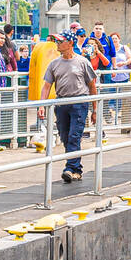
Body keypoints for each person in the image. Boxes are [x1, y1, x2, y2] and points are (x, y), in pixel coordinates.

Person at [40, 31, 97, 183]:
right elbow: (46, 86)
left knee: (74, 136)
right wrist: (41, 105)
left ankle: (70, 168)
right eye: (57, 42)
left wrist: (95, 110)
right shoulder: (54, 64)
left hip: (79, 102)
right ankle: (76, 169)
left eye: (61, 41)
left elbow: (92, 86)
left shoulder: (83, 62)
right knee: (65, 136)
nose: (58, 44)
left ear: (70, 43)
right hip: (62, 103)